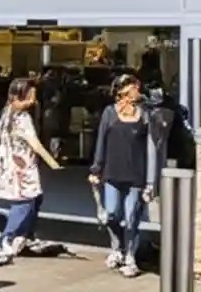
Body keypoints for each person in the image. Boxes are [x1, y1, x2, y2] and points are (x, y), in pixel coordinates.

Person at [88, 73, 157, 278]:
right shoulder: (109, 113)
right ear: (124, 92)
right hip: (112, 173)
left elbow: (152, 148)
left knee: (132, 218)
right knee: (111, 214)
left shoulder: (145, 114)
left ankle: (130, 257)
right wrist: (96, 169)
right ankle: (117, 247)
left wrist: (151, 180)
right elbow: (101, 141)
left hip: (136, 175)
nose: (139, 90)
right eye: (136, 87)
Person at [0, 78, 61, 256]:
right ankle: (7, 237)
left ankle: (25, 234)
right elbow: (34, 143)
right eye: (30, 97)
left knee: (35, 198)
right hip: (21, 165)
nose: (33, 101)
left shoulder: (6, 113)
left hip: (12, 162)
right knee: (24, 201)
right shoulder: (22, 118)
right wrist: (52, 162)